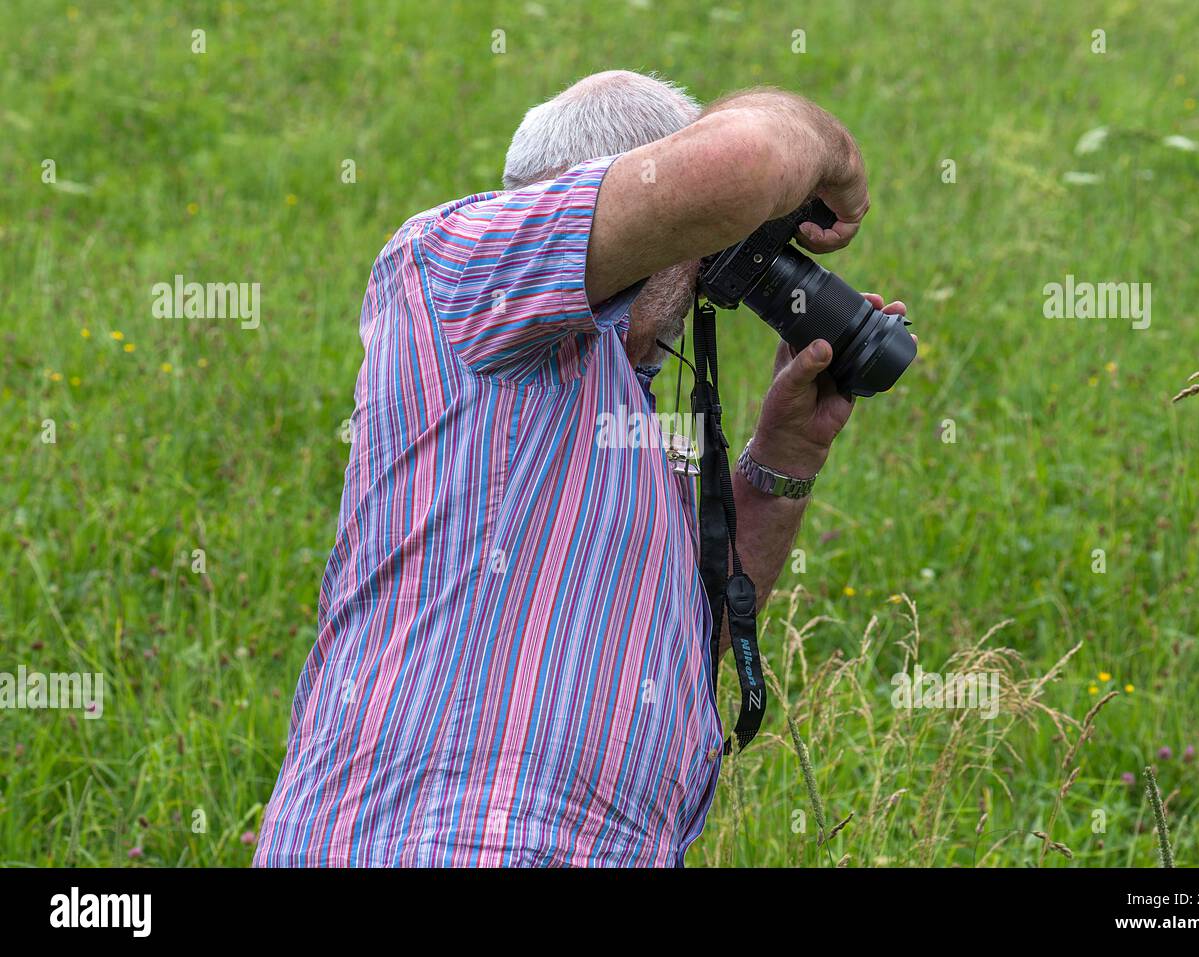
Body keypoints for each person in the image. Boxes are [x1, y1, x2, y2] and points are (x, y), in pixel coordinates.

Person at [255, 70, 908, 867]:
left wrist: (784, 457)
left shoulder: (627, 414)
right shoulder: (461, 264)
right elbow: (749, 155)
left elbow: (682, 640)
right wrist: (832, 151)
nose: (714, 270)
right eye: (712, 242)